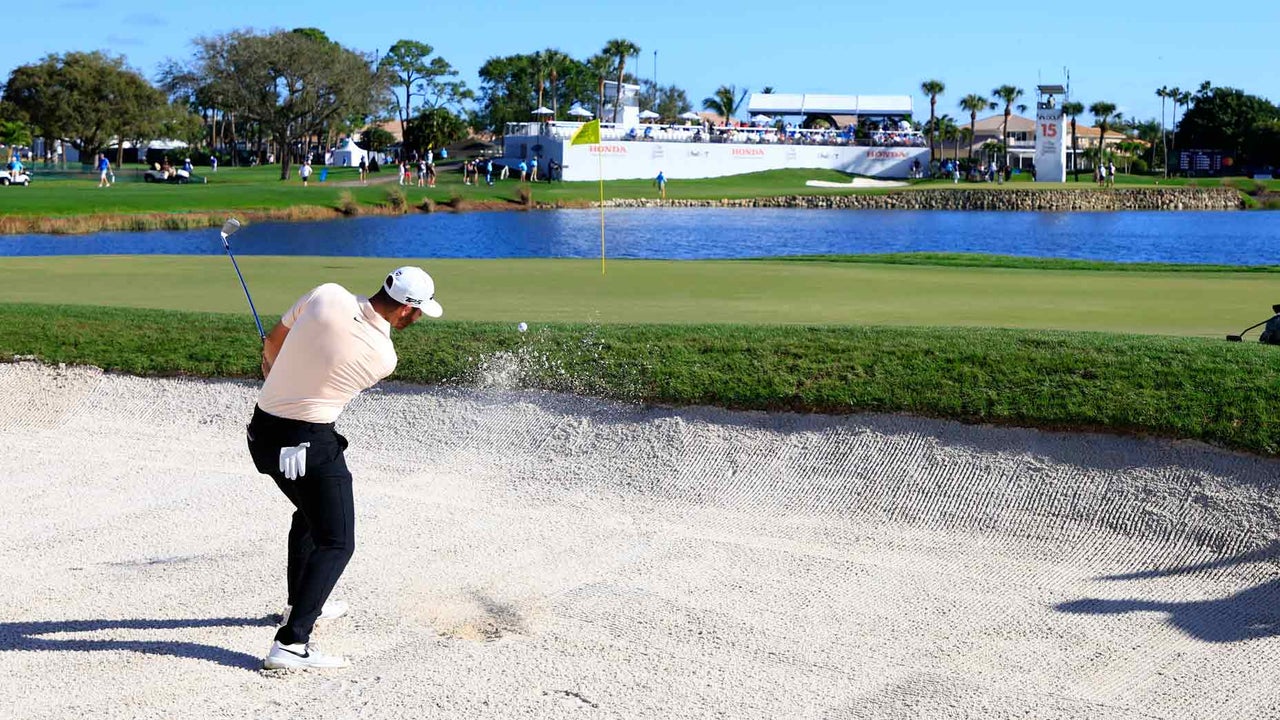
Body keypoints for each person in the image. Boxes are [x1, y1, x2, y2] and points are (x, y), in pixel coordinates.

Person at [249, 267, 444, 670]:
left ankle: (296, 607)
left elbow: (272, 344)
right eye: (419, 313)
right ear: (407, 311)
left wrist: (273, 369)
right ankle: (291, 643)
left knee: (309, 516)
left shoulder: (327, 293)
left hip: (262, 435)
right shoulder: (382, 356)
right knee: (337, 542)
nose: (418, 320)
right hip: (306, 444)